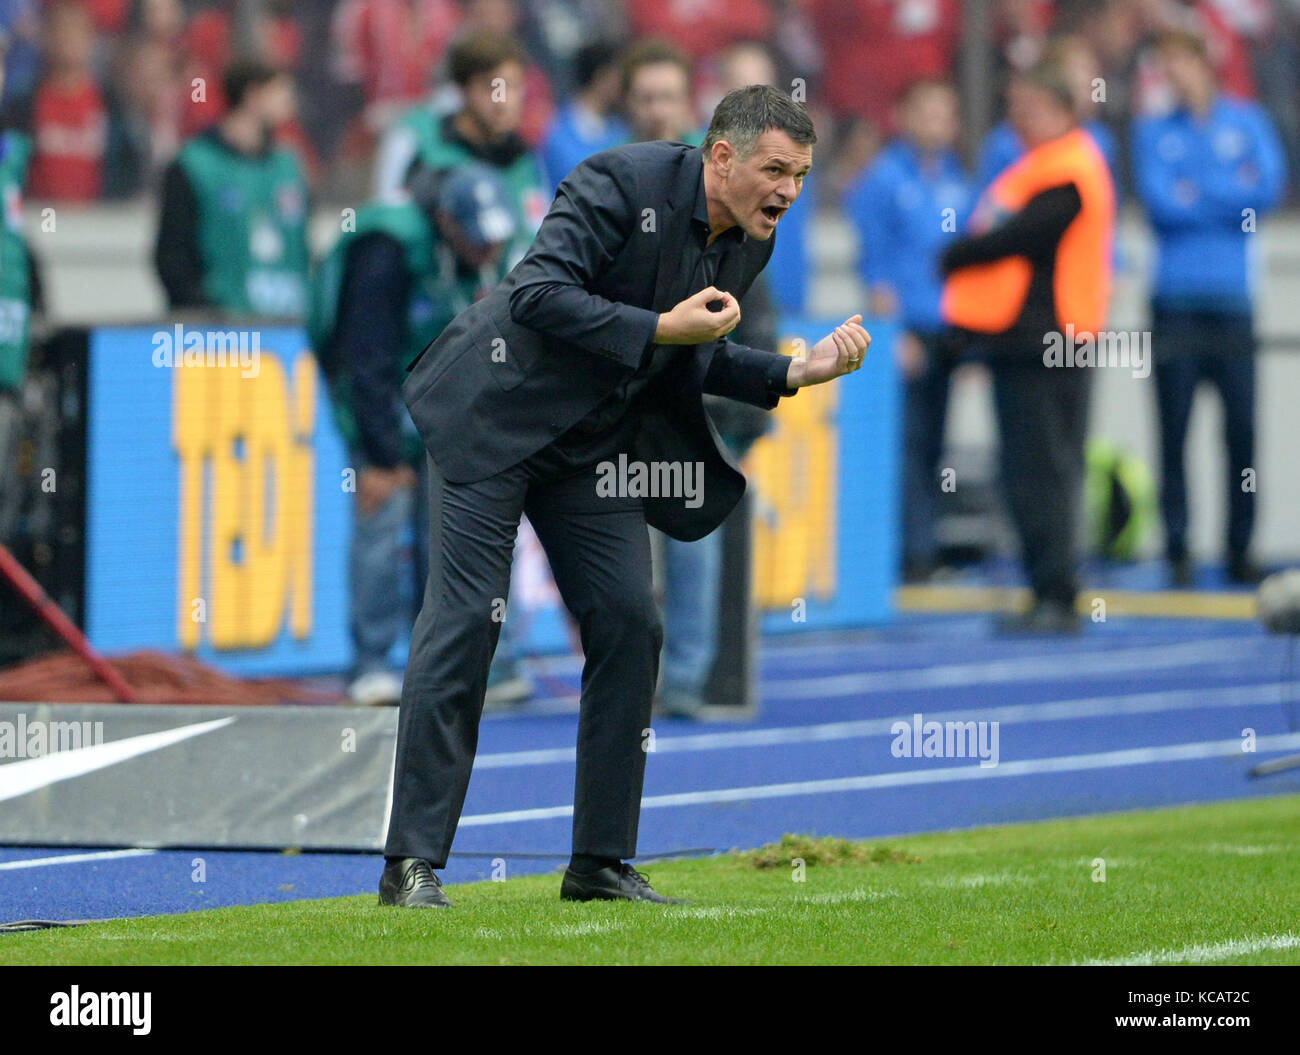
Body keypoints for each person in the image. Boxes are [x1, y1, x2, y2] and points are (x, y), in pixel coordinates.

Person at [380, 85, 868, 907]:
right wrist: (660, 329)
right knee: (466, 620)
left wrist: (792, 370)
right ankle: (411, 863)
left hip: (589, 444)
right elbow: (536, 293)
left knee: (631, 621)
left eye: (801, 174)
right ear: (722, 156)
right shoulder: (616, 182)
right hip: (493, 415)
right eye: (775, 169)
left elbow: (699, 351)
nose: (788, 190)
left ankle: (599, 862)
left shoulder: (753, 237)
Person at [308, 164, 516, 706]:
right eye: (479, 240)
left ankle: (444, 666)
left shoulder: (477, 253)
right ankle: (370, 665)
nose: (489, 252)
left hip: (436, 399)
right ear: (447, 221)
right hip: (374, 397)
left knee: (447, 532)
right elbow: (366, 356)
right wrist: (380, 455)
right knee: (381, 521)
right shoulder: (387, 249)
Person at [940, 58, 1115, 634]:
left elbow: (1022, 235)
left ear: (1063, 111)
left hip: (1048, 341)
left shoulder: (1067, 168)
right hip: (1024, 341)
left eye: (1033, 108)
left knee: (1043, 472)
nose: (1021, 119)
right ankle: (1048, 589)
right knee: (1032, 472)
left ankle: (1057, 595)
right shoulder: (1038, 166)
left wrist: (958, 255)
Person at [1131, 29, 1286, 587]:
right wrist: (1224, 192)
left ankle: (1240, 547)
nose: (1174, 74)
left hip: (1232, 300)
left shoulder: (1247, 122)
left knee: (1241, 430)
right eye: (1164, 63)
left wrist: (1199, 192)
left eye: (1180, 61)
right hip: (1173, 300)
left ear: (1204, 63)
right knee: (1173, 430)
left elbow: (1265, 189)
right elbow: (1160, 204)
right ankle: (1177, 548)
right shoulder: (1151, 131)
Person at [845, 77, 973, 583]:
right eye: (928, 113)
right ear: (904, 117)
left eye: (947, 114)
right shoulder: (881, 178)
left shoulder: (954, 176)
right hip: (907, 331)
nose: (938, 125)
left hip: (949, 328)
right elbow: (875, 264)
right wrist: (892, 332)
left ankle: (927, 546)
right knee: (906, 444)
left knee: (936, 443)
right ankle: (910, 554)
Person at [154, 59, 309, 319]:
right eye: (280, 91)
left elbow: (302, 247)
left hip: (287, 328)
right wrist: (202, 310)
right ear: (253, 95)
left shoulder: (289, 167)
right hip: (219, 333)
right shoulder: (193, 166)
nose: (290, 102)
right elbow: (172, 256)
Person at [538, 39, 627, 192]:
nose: (625, 85)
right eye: (619, 77)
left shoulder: (621, 129)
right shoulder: (554, 132)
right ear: (601, 78)